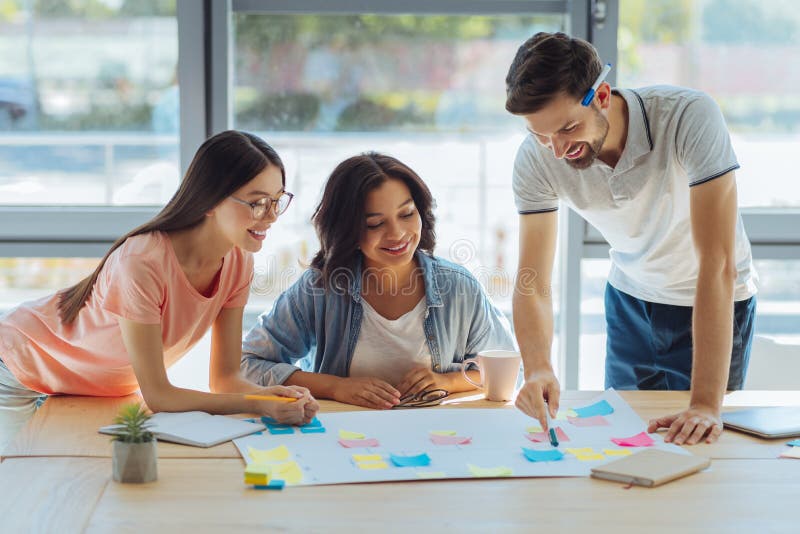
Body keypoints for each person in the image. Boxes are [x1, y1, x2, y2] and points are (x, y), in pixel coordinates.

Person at [504, 32, 757, 445]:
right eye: (541, 135)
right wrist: (537, 368)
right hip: (630, 301)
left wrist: (705, 405)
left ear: (602, 96)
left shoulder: (688, 116)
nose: (557, 151)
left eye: (568, 128)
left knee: (700, 442)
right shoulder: (537, 159)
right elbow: (532, 281)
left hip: (712, 298)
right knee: (624, 439)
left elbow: (718, 263)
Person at [0, 130, 318, 451]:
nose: (272, 216)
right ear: (210, 200)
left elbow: (225, 379)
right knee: (19, 476)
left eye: (277, 201)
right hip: (18, 366)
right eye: (257, 203)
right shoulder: (142, 261)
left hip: (85, 389)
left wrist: (271, 396)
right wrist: (258, 404)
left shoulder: (238, 261)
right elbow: (159, 395)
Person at [240, 153, 516, 409]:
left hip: (440, 435)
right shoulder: (319, 288)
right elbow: (247, 364)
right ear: (347, 230)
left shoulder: (459, 287)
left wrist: (447, 382)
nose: (397, 234)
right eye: (375, 224)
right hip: (342, 435)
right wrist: (335, 387)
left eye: (407, 214)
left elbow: (507, 370)